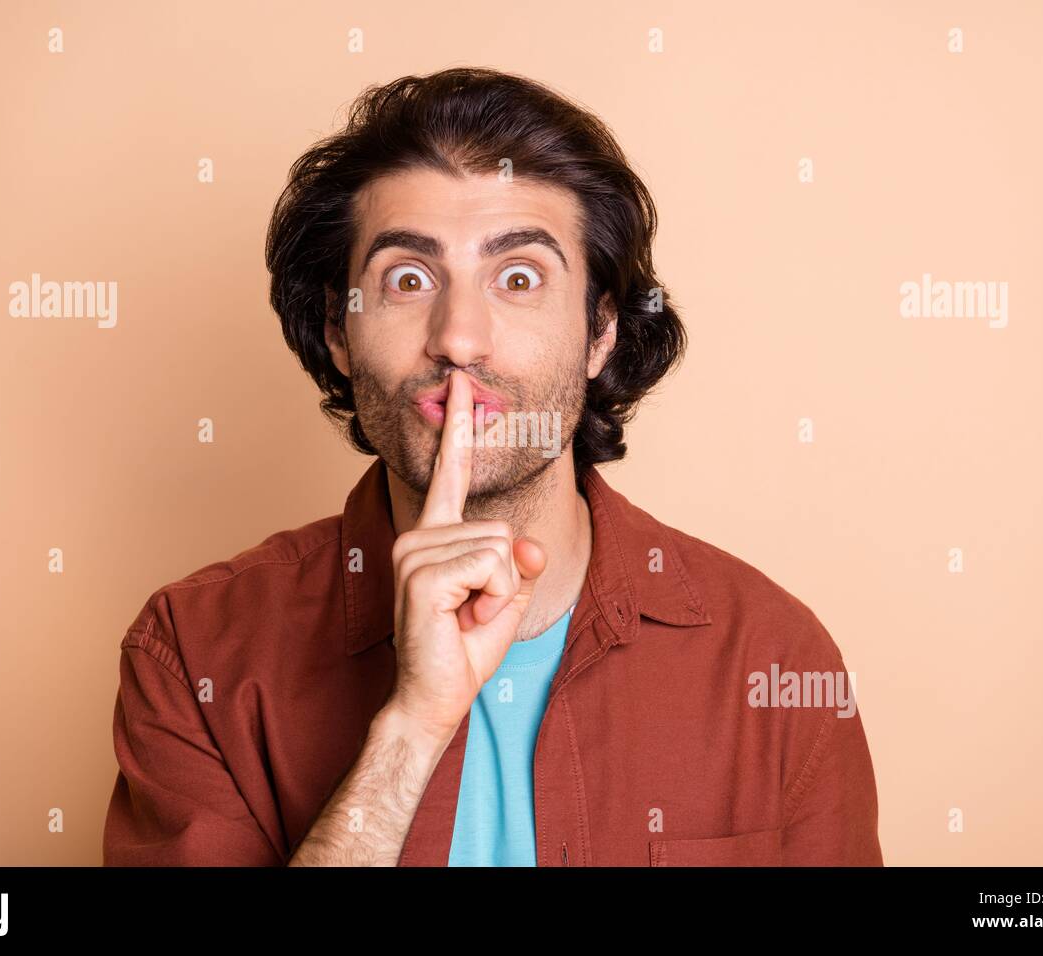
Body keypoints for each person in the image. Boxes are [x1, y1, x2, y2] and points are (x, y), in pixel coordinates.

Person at [102, 67, 883, 867]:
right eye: (408, 279)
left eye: (518, 278)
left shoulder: (773, 659)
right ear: (338, 330)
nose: (461, 338)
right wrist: (411, 726)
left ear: (600, 332)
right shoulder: (194, 655)